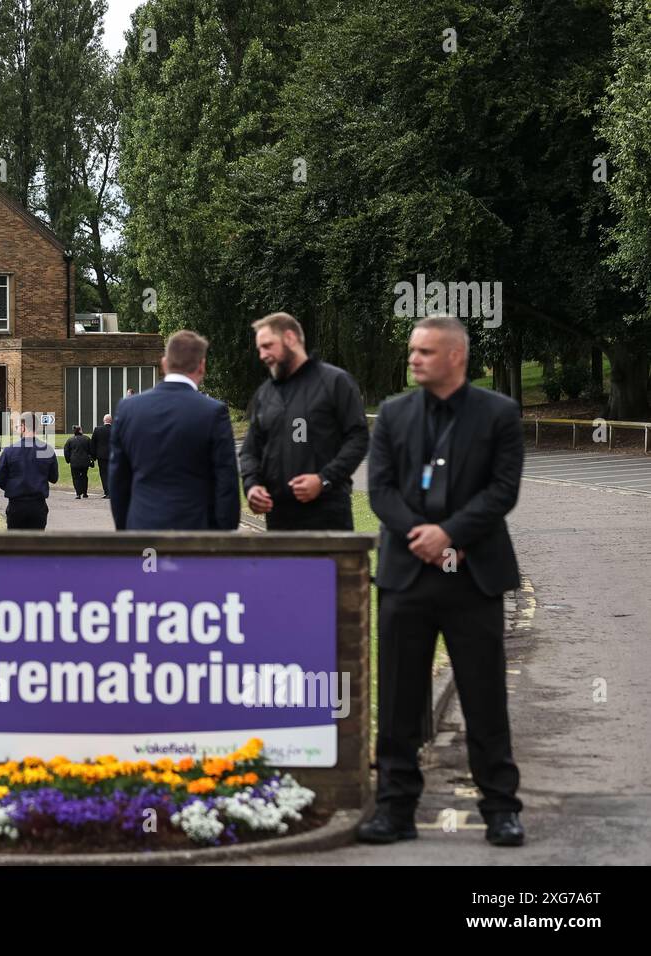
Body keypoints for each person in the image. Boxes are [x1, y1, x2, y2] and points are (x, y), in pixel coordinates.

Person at [360, 315, 525, 848]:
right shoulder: (392, 414)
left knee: (483, 696)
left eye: (425, 352)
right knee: (400, 697)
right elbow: (379, 491)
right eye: (412, 350)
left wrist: (450, 533)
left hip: (473, 576)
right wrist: (420, 535)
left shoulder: (498, 413)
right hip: (407, 575)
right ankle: (394, 808)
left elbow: (502, 491)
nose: (413, 359)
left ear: (456, 356)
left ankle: (500, 808)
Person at [240, 312, 370, 530]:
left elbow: (358, 438)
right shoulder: (265, 394)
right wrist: (252, 486)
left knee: (326, 566)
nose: (262, 355)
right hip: (279, 519)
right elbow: (250, 450)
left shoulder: (335, 382)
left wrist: (323, 479)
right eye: (259, 349)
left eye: (267, 346)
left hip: (327, 516)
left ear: (290, 338)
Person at [109, 329, 240, 531]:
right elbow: (226, 482)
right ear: (202, 366)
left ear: (164, 363)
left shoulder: (128, 409)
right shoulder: (213, 412)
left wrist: (126, 531)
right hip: (196, 531)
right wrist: (222, 537)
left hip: (142, 527)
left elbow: (118, 480)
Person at [0, 412, 59, 529]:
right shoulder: (47, 450)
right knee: (37, 544)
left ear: (23, 427)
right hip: (38, 505)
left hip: (16, 504)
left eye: (18, 427)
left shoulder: (9, 451)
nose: (17, 429)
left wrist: (13, 486)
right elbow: (54, 478)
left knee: (15, 544)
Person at [63, 425, 94, 499]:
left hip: (74, 462)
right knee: (84, 476)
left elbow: (66, 451)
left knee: (76, 477)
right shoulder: (87, 439)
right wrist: (92, 458)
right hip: (85, 461)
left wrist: (68, 460)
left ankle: (78, 493)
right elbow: (91, 450)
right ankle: (85, 492)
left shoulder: (70, 440)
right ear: (80, 430)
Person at [90, 414, 112, 498]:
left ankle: (107, 492)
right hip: (112, 456)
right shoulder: (116, 429)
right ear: (111, 421)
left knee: (103, 474)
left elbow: (93, 444)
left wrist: (93, 456)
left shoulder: (97, 430)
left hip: (101, 456)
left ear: (104, 420)